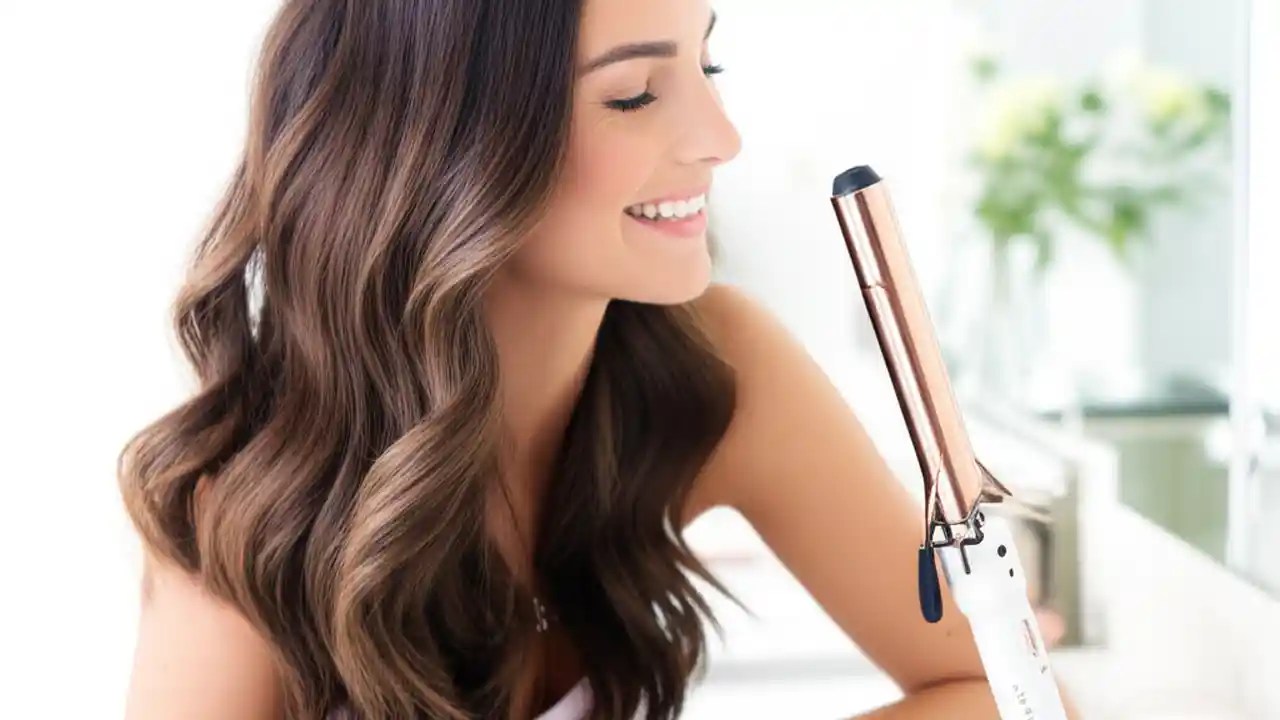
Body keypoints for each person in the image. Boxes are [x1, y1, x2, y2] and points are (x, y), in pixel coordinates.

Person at [118, 1, 1080, 718]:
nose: (720, 139)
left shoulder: (715, 367)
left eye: (710, 65)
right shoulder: (243, 504)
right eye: (635, 93)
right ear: (448, 142)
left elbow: (1006, 689)